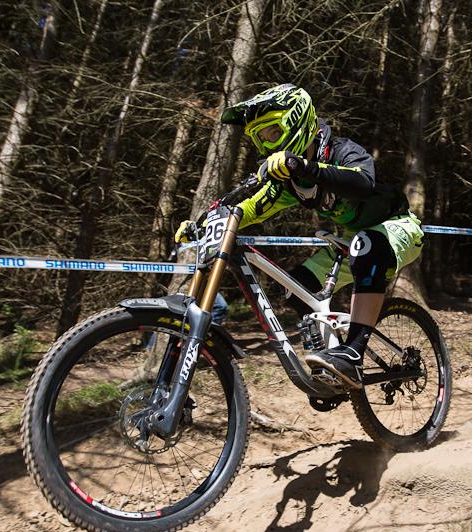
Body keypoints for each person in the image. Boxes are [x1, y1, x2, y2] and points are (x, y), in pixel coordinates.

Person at [178, 83, 424, 388]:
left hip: (399, 227)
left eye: (271, 133)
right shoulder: (288, 181)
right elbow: (248, 208)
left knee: (367, 245)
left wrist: (305, 167)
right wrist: (203, 222)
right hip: (352, 240)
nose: (267, 145)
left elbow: (363, 183)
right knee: (297, 287)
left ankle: (354, 354)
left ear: (296, 121)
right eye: (259, 139)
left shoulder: (341, 150)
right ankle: (330, 366)